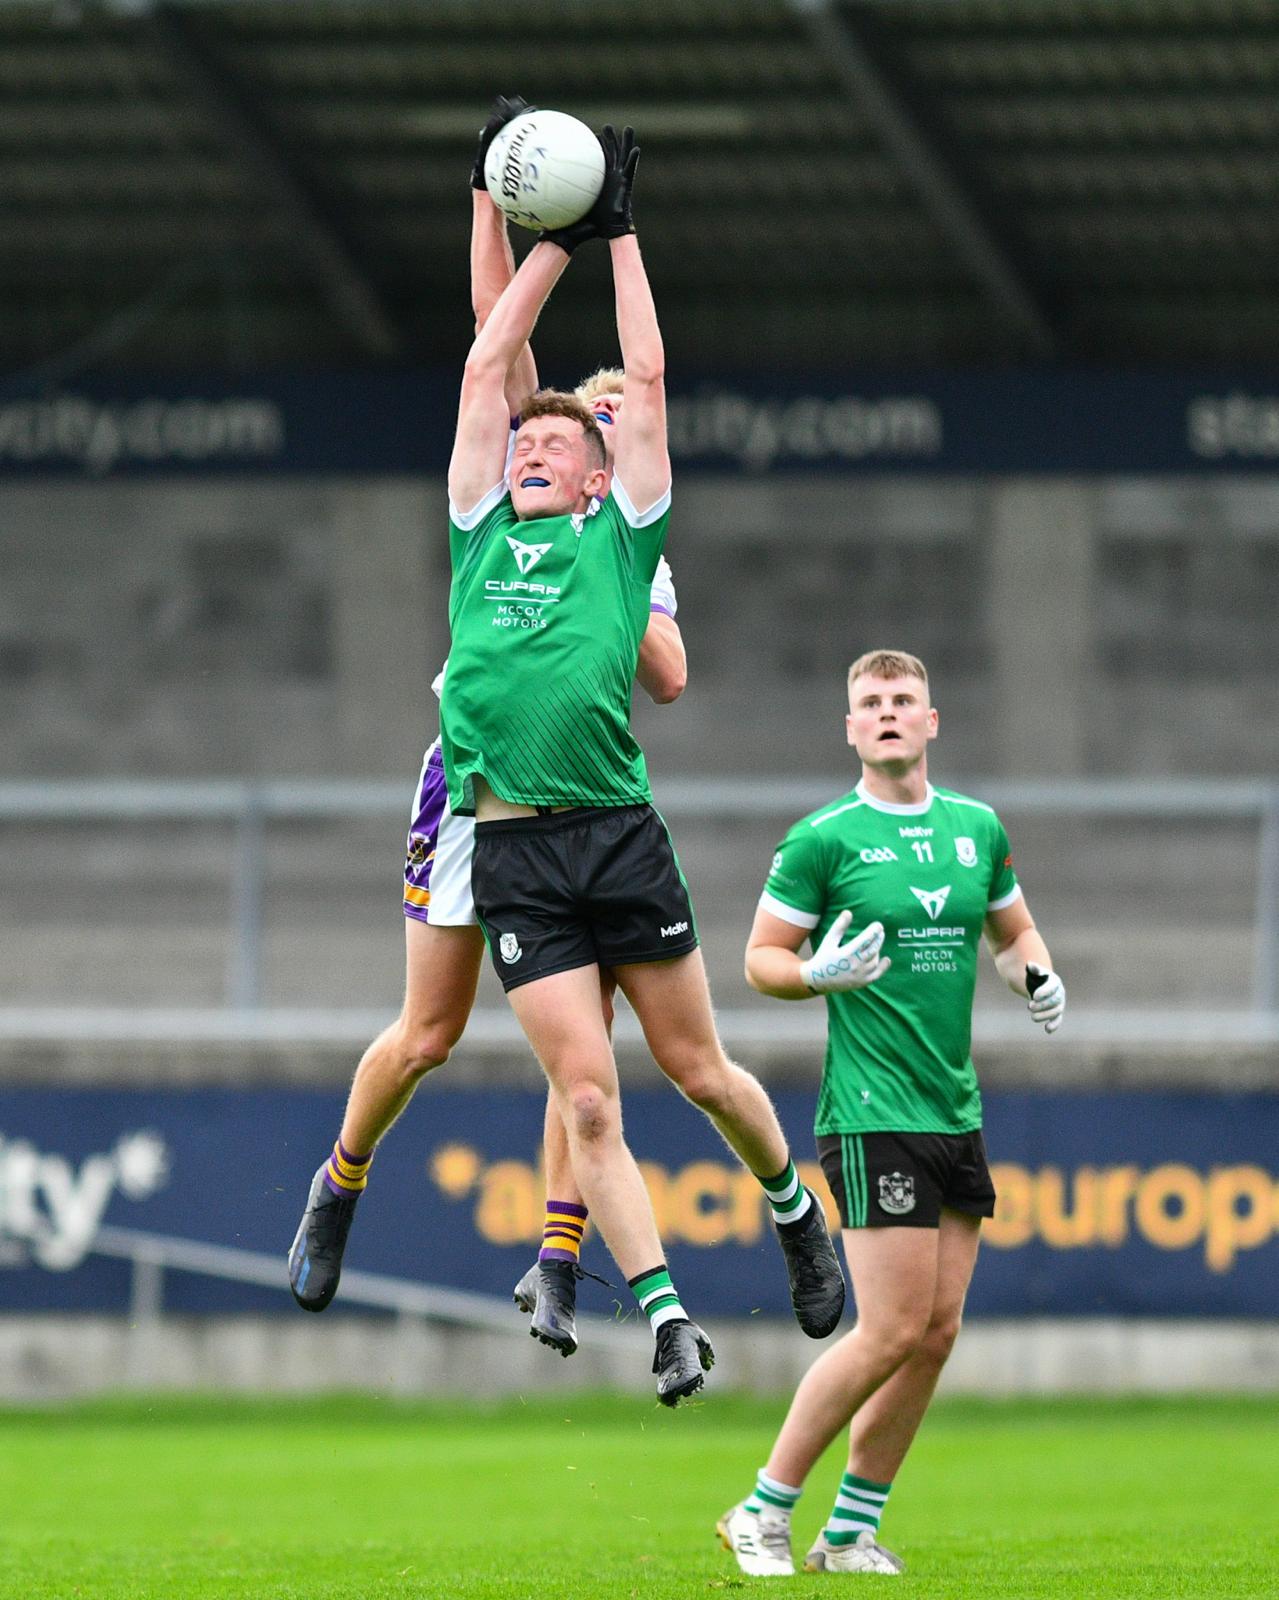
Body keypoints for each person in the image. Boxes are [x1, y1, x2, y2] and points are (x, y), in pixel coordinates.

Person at [438, 119, 845, 1405]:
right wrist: (524, 234)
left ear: (603, 471)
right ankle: (664, 1317)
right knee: (591, 1099)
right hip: (513, 848)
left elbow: (649, 379)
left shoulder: (624, 545)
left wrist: (611, 229)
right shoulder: (476, 529)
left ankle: (792, 1210)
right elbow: (488, 359)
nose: (531, 443)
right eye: (525, 440)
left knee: (702, 1070)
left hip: (616, 831)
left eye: (555, 441)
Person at [286, 103, 685, 1361]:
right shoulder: (523, 481)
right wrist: (493, 199)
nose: (584, 433)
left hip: (578, 802)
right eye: (583, 420)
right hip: (472, 783)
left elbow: (666, 674)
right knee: (427, 1035)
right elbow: (487, 347)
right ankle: (338, 1182)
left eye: (607, 426)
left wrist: (639, 604)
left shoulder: (630, 545)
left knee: (591, 1062)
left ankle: (559, 1257)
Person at [717, 648, 1065, 1573]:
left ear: (930, 720)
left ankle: (849, 1531)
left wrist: (1032, 972)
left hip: (954, 1107)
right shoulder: (822, 838)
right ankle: (761, 1508)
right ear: (848, 728)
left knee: (934, 1333)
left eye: (900, 699)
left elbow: (1010, 927)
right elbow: (759, 959)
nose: (884, 712)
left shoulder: (975, 828)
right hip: (872, 1112)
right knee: (888, 1331)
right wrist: (813, 976)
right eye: (867, 702)